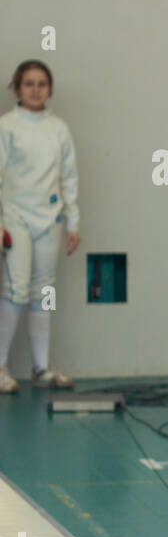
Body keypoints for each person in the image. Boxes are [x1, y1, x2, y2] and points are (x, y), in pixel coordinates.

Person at [0, 60, 79, 393]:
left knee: (43, 293)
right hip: (14, 218)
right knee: (16, 291)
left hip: (50, 220)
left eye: (41, 84)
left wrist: (73, 222)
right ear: (18, 89)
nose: (35, 90)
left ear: (49, 89)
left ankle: (41, 368)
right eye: (29, 84)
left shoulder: (58, 129)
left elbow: (69, 178)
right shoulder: (6, 127)